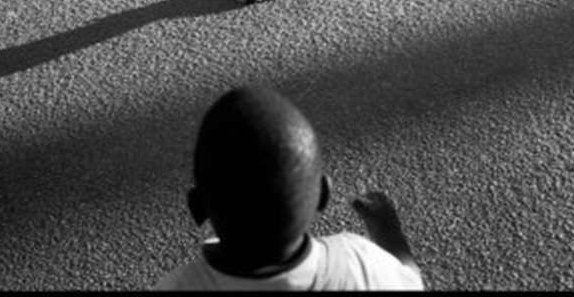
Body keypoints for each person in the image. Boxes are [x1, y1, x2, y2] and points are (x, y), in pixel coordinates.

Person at [154, 85, 425, 289]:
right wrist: (388, 230)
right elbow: (410, 279)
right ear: (323, 194)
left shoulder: (176, 285)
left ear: (197, 207)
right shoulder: (358, 263)